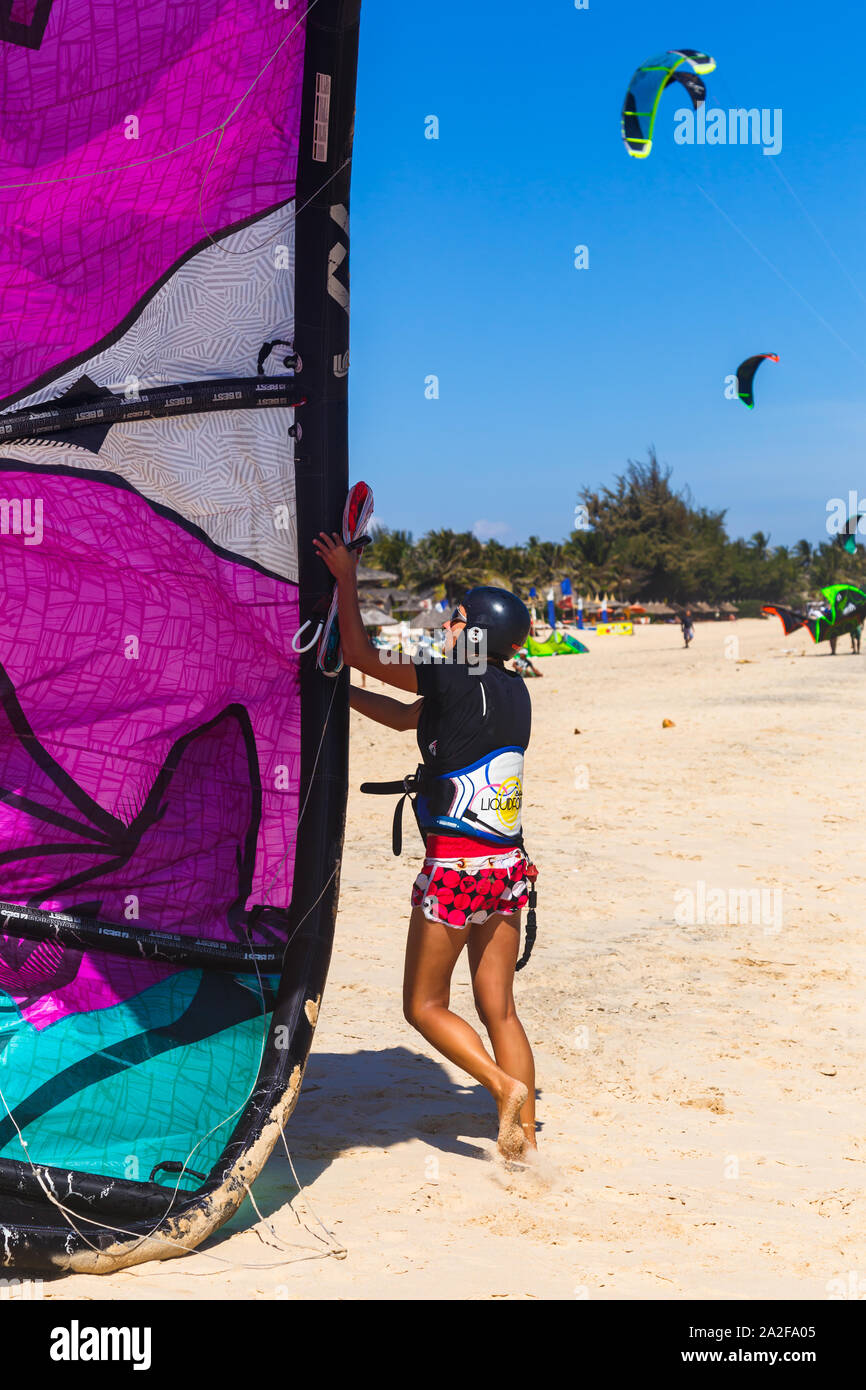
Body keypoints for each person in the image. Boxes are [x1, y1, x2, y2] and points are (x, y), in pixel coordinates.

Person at [313, 532, 538, 1159]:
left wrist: (344, 576)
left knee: (424, 1004)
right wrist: (329, 694)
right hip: (508, 868)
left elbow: (357, 651)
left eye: (456, 616)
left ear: (476, 633)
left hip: (458, 871)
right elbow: (407, 717)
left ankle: (501, 1087)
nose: (445, 622)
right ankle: (524, 1145)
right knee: (501, 1010)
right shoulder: (515, 692)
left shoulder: (449, 676)